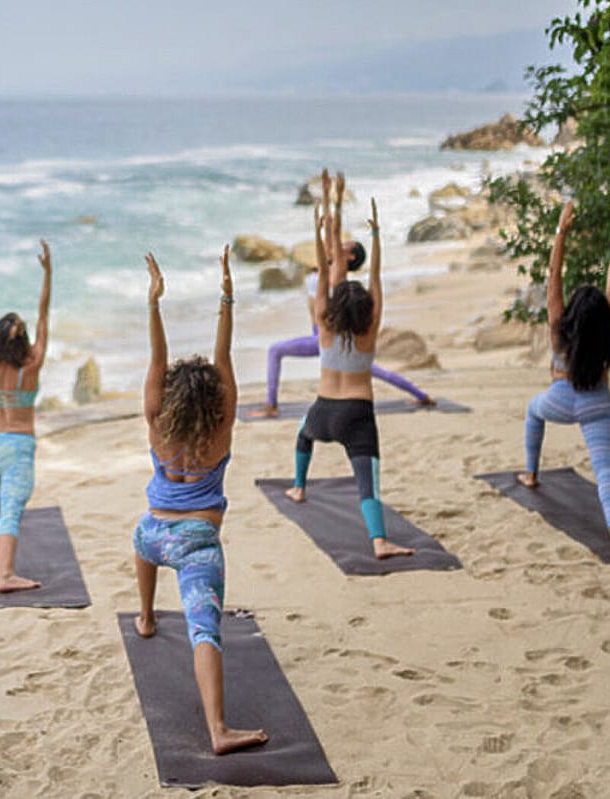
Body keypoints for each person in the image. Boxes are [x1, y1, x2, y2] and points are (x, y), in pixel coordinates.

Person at [134, 245, 268, 755]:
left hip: (151, 533)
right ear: (214, 399)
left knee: (141, 543)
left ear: (170, 398)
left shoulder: (156, 421)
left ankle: (146, 616)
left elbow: (157, 359)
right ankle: (217, 729)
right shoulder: (222, 427)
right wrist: (227, 298)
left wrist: (154, 302)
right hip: (196, 545)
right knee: (204, 631)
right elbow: (224, 358)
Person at [283, 180, 414, 559]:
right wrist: (377, 237)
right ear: (368, 310)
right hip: (357, 414)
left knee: (303, 434)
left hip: (323, 411)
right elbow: (375, 281)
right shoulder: (369, 331)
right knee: (367, 484)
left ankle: (299, 487)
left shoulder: (324, 326)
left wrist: (318, 232)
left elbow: (326, 278)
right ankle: (379, 541)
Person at [517, 196, 610, 546]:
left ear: (573, 312)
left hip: (558, 401)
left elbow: (554, 276)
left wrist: (561, 230)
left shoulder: (559, 327)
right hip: (598, 406)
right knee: (605, 469)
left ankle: (530, 473)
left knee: (533, 411)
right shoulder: (608, 327)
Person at [251, 170, 433, 417]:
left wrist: (337, 199)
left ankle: (270, 405)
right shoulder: (331, 266)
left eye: (347, 245)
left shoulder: (338, 272)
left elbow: (334, 232)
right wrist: (327, 196)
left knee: (276, 350)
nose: (341, 243)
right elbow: (329, 229)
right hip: (324, 333)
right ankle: (422, 395)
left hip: (326, 336)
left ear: (350, 256)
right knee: (374, 369)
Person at [0, 235, 52, 592]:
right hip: (17, 447)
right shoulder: (31, 366)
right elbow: (44, 314)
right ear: (24, 341)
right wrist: (48, 274)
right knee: (12, 514)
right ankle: (5, 575)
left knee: (3, 501)